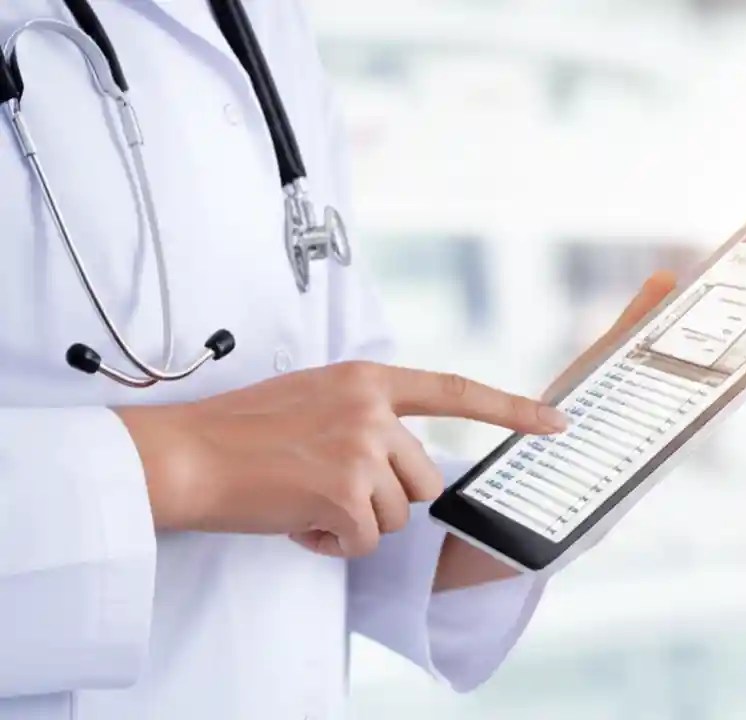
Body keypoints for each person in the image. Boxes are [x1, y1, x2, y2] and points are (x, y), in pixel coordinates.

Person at [0, 1, 676, 718]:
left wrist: (543, 489)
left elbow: (340, 474)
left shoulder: (265, 21)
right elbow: (256, 457)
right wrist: (185, 464)